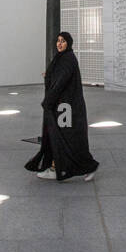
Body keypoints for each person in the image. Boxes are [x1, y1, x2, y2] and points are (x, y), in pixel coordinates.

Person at [26, 31, 99, 181]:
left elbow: (61, 82)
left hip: (65, 107)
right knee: (60, 137)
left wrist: (48, 101)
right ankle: (56, 166)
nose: (59, 44)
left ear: (69, 43)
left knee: (66, 138)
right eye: (58, 40)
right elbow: (58, 77)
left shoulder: (67, 59)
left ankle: (79, 166)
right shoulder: (63, 58)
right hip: (62, 106)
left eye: (63, 41)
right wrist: (49, 76)